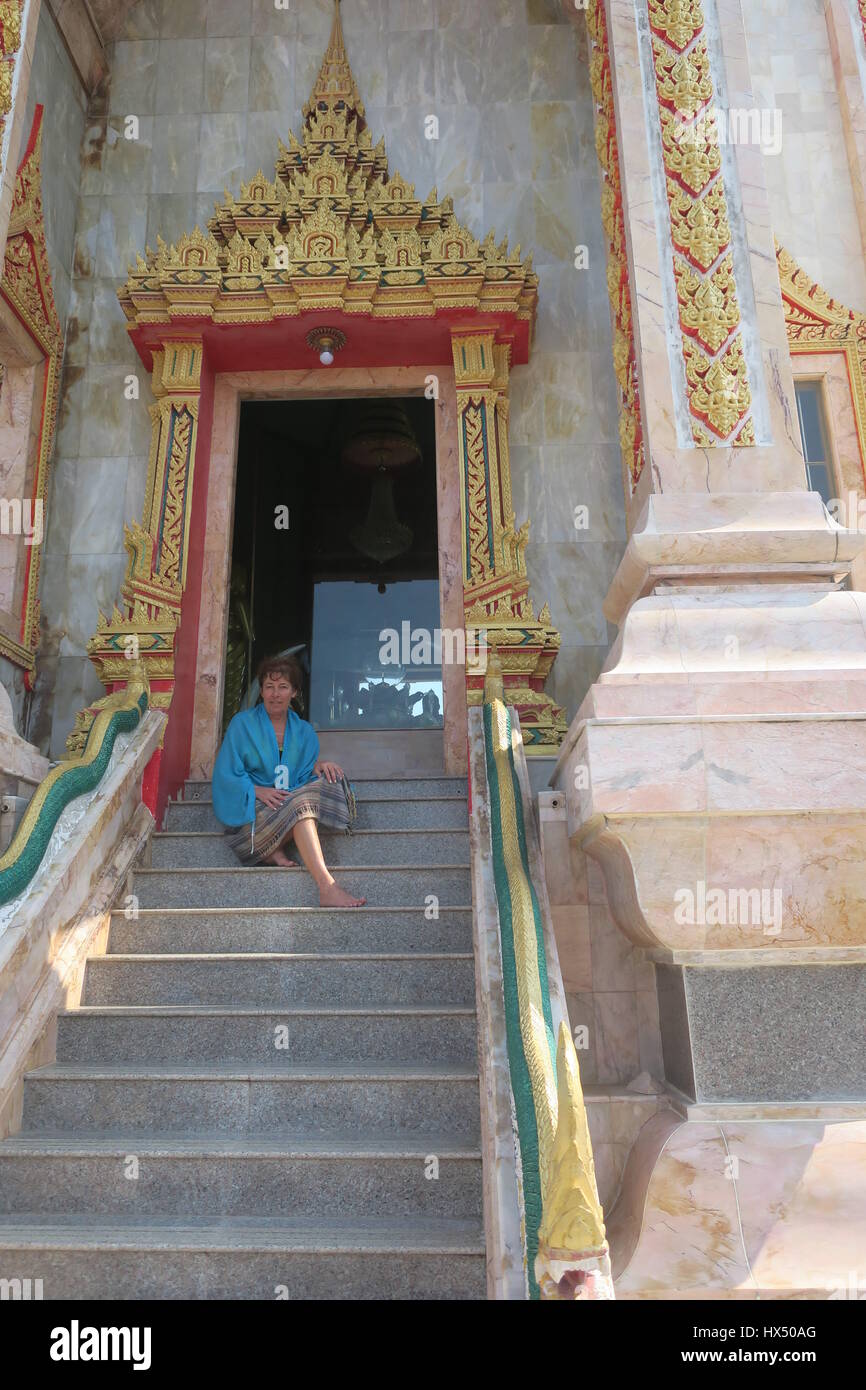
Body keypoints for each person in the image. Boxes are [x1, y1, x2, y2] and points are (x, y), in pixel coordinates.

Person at [212, 654, 365, 908]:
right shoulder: (243, 724)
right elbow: (225, 774)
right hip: (252, 820)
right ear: (260, 691)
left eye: (283, 687)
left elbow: (300, 776)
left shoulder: (304, 731)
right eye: (269, 687)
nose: (275, 694)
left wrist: (319, 767)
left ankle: (274, 849)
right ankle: (327, 887)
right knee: (301, 805)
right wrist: (255, 789)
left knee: (330, 782)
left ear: (294, 692)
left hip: (288, 805)